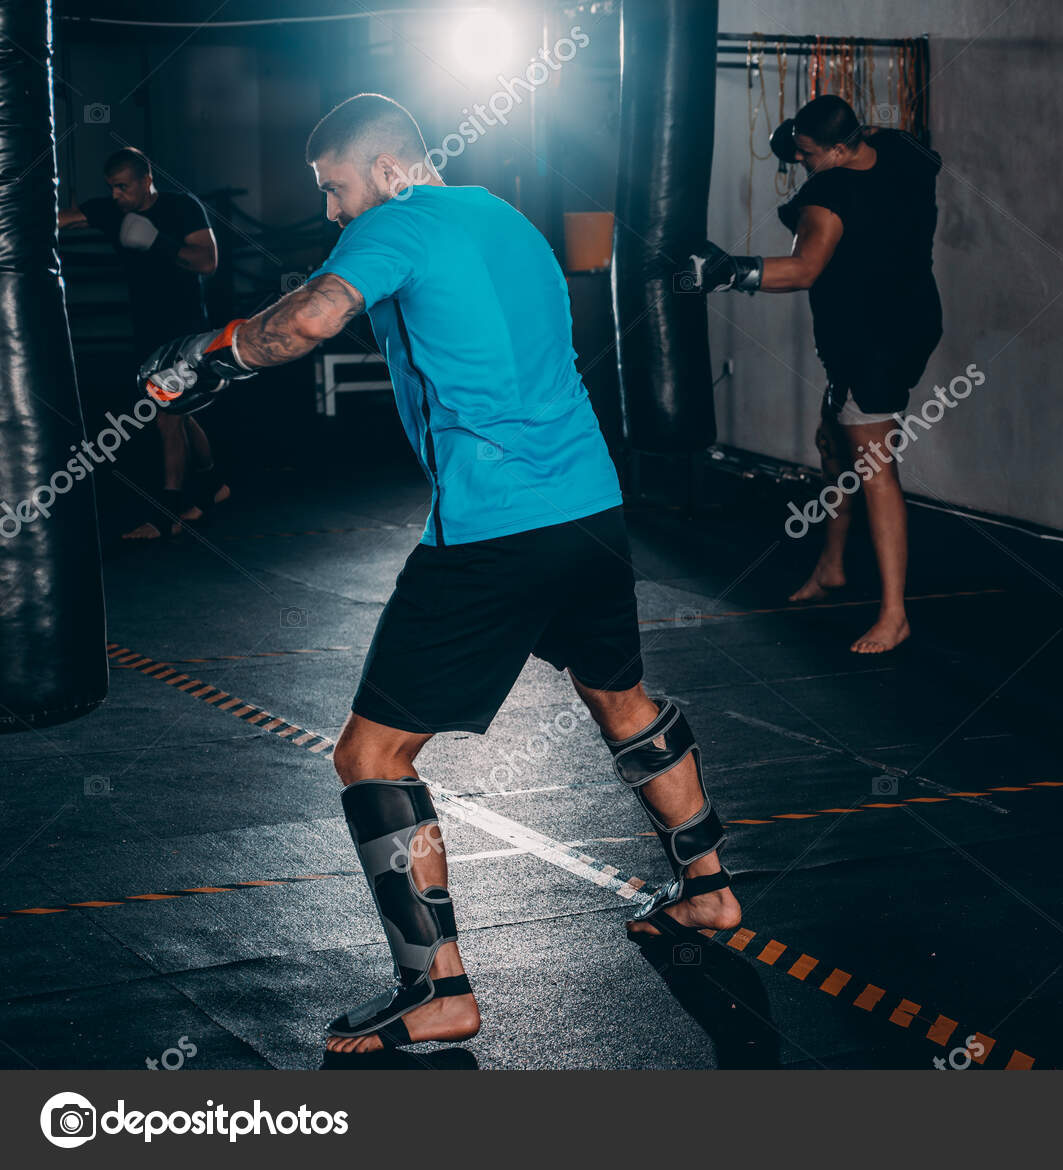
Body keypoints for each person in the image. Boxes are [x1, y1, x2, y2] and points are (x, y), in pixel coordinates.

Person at [137, 93, 740, 1052]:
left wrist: (213, 353)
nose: (332, 210)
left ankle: (437, 988)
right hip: (589, 508)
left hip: (493, 530)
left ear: (386, 170)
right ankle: (708, 890)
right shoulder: (505, 217)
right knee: (620, 700)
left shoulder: (396, 222)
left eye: (335, 187)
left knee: (370, 757)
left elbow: (312, 318)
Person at [687, 94, 942, 654]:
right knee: (833, 443)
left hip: (870, 344)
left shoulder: (827, 197)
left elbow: (803, 270)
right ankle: (831, 567)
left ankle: (894, 615)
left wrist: (729, 272)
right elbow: (912, 149)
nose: (799, 160)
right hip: (914, 319)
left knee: (875, 467)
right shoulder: (905, 153)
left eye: (805, 152)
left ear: (838, 150)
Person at [59, 147, 229, 539]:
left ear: (146, 180)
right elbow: (58, 220)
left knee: (166, 415)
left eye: (123, 187)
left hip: (184, 331)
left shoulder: (182, 208)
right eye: (111, 187)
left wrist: (157, 241)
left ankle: (166, 515)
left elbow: (207, 262)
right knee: (179, 412)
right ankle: (213, 486)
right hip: (148, 328)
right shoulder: (111, 211)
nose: (116, 195)